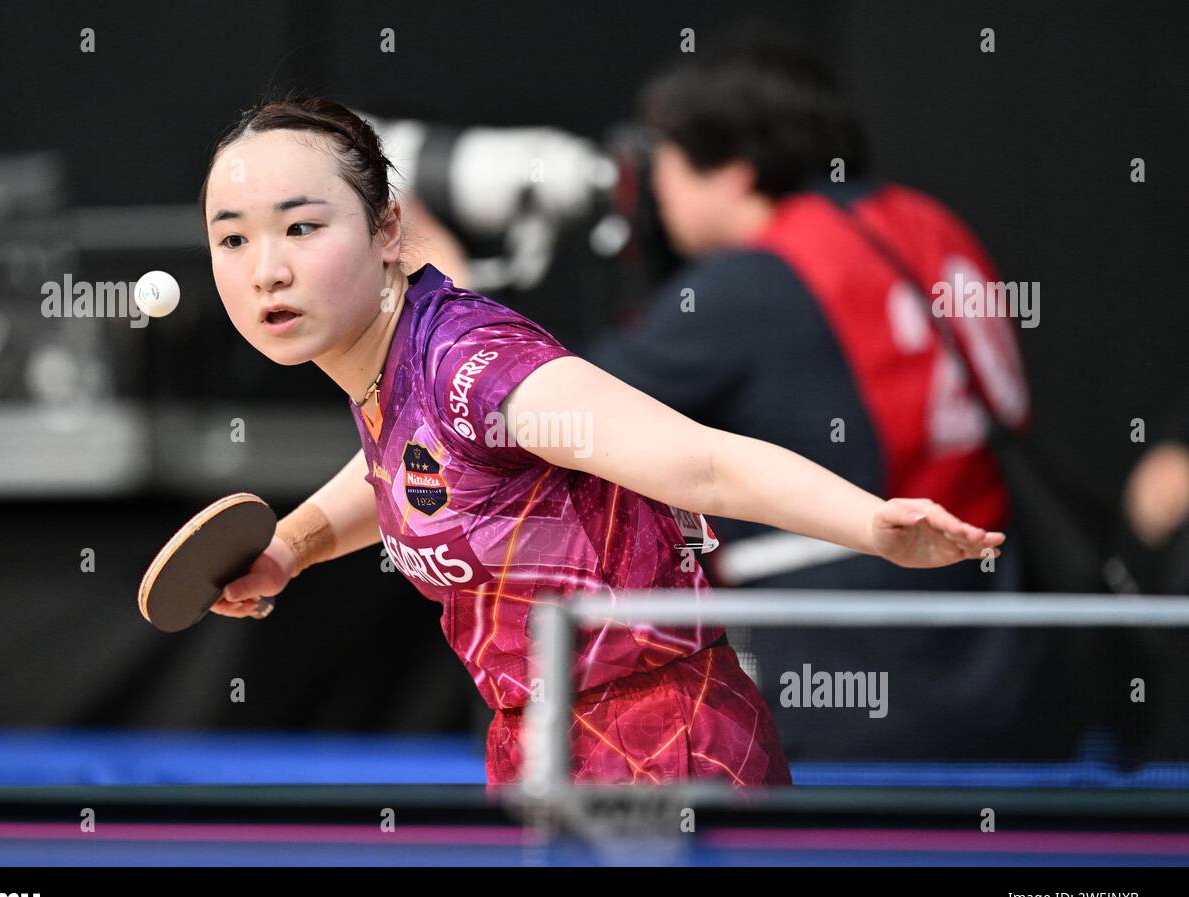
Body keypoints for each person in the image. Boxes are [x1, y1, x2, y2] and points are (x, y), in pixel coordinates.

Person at [197, 94, 1002, 787]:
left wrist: (870, 526)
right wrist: (292, 547)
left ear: (388, 229)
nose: (267, 269)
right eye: (233, 240)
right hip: (544, 741)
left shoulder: (477, 370)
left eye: (301, 228)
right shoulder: (392, 362)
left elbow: (700, 463)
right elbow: (411, 468)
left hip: (662, 748)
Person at [586, 32, 1057, 761]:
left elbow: (550, 409)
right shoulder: (929, 223)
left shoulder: (756, 281)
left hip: (848, 682)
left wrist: (448, 297)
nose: (657, 187)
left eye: (668, 160)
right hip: (997, 661)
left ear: (735, 172)